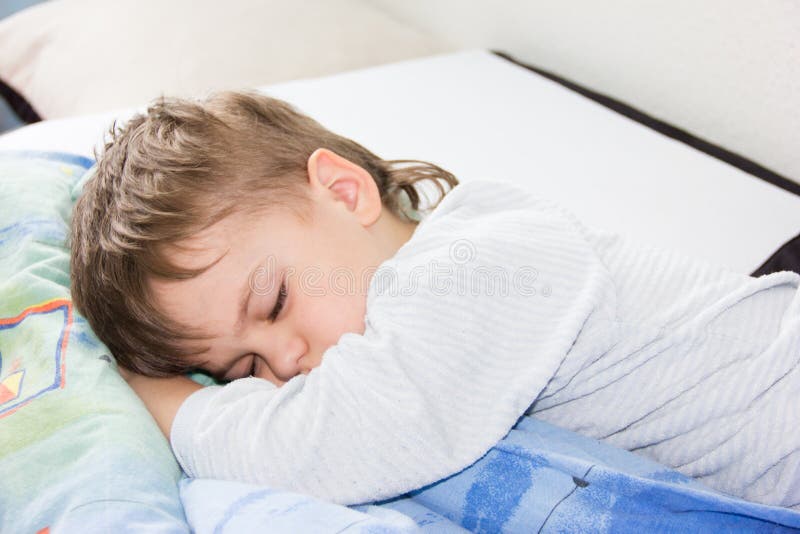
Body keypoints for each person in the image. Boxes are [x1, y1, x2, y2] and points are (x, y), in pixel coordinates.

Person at [69, 91, 800, 509]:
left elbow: (331, 442)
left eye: (274, 302)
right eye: (239, 370)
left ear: (344, 192)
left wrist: (168, 398)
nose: (286, 363)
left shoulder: (474, 266)